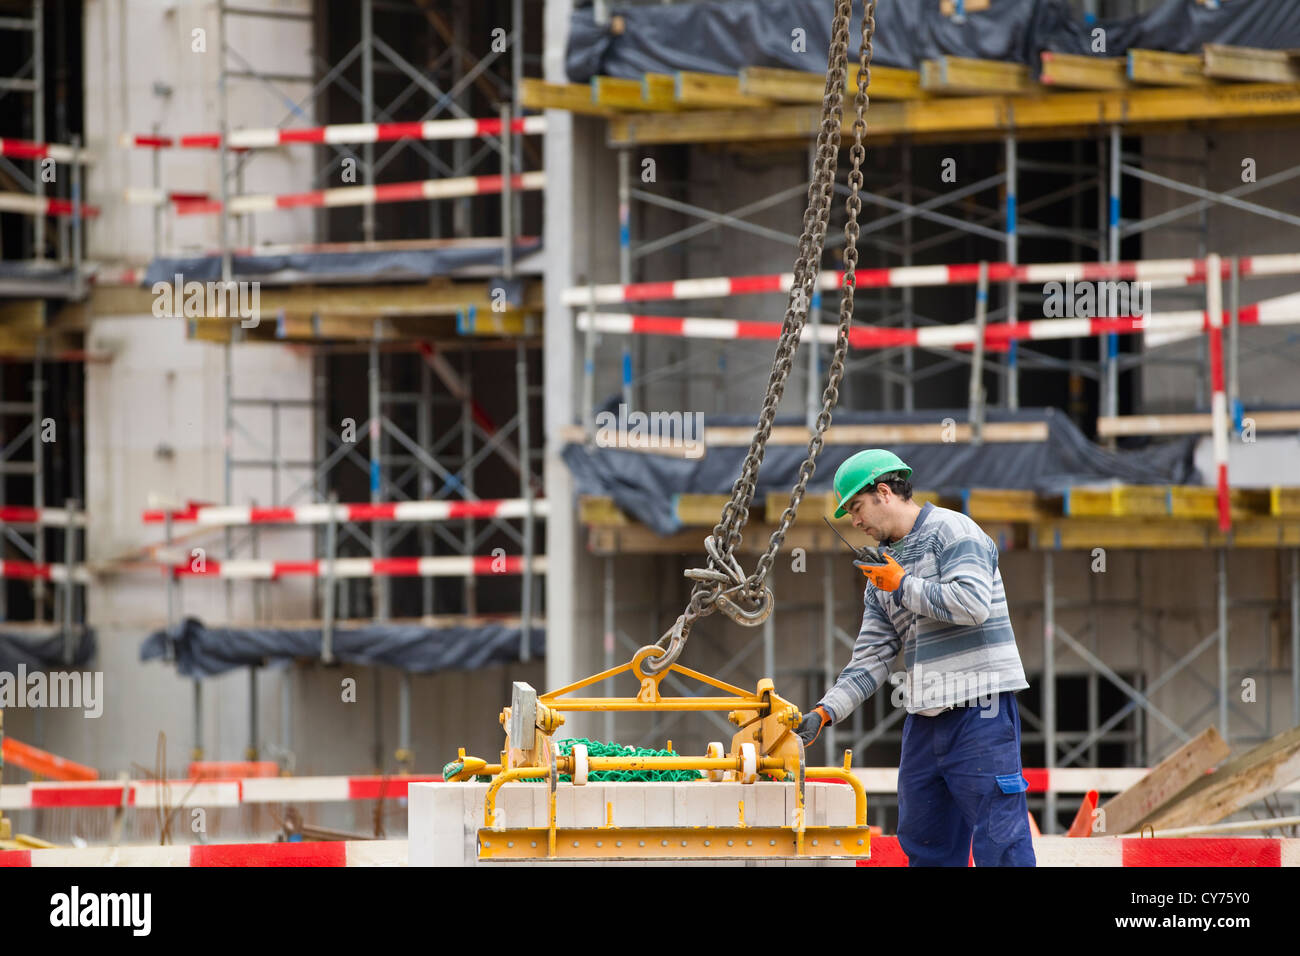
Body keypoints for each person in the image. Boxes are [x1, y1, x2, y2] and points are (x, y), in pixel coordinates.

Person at [796, 448, 1036, 867]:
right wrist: (825, 712)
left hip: (980, 712)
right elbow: (871, 657)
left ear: (884, 492)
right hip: (925, 720)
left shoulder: (953, 530)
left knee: (1001, 845)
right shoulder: (883, 574)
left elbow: (973, 604)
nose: (854, 522)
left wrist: (902, 584)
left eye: (856, 507)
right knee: (926, 843)